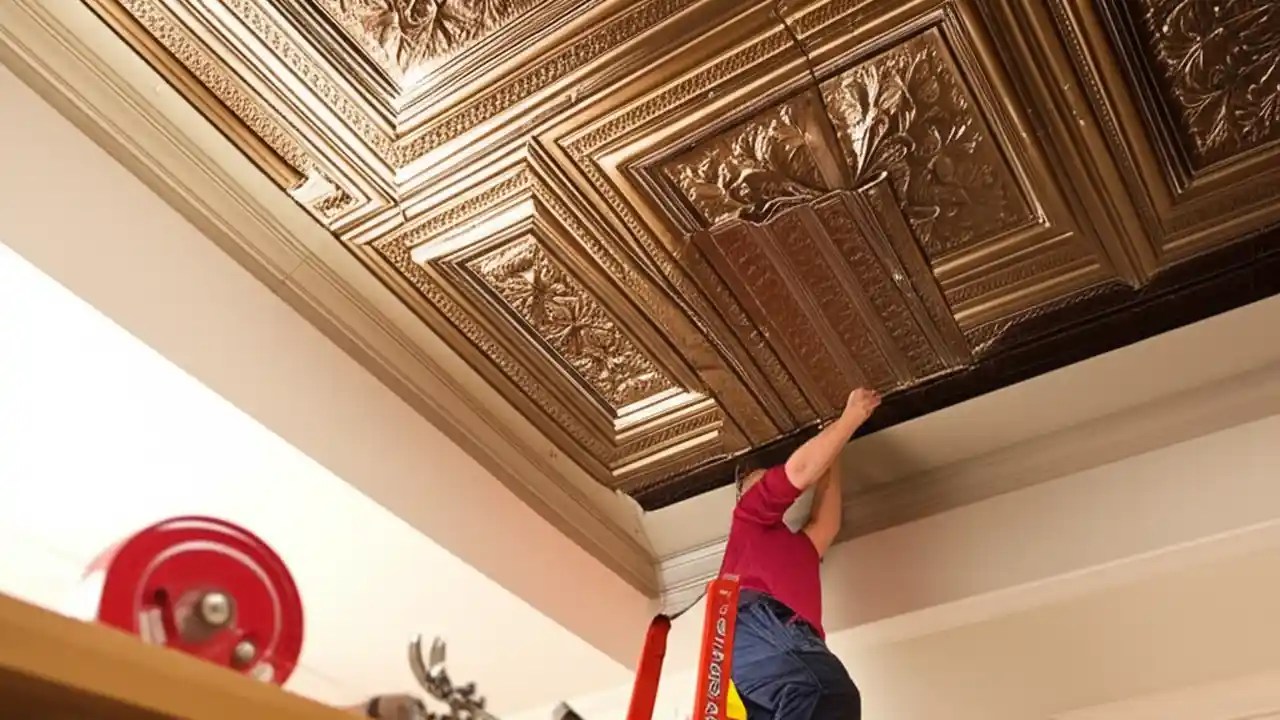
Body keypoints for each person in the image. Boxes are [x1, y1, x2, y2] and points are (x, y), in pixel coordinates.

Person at [721, 387, 882, 720]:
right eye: (756, 479)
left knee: (827, 697)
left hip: (769, 647)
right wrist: (850, 418)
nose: (766, 480)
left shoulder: (803, 547)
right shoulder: (747, 519)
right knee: (829, 696)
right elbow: (799, 472)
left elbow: (828, 519)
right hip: (760, 629)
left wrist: (834, 443)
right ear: (741, 496)